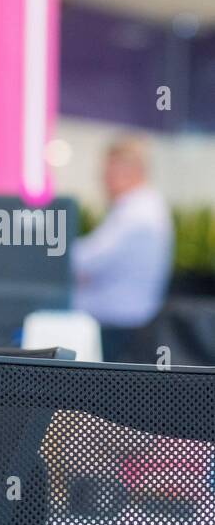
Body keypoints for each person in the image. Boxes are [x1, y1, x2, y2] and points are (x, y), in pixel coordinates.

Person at [71, 135, 174, 360]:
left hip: (119, 328)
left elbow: (87, 260)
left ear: (128, 171)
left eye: (107, 172)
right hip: (123, 323)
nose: (102, 180)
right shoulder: (139, 208)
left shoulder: (137, 214)